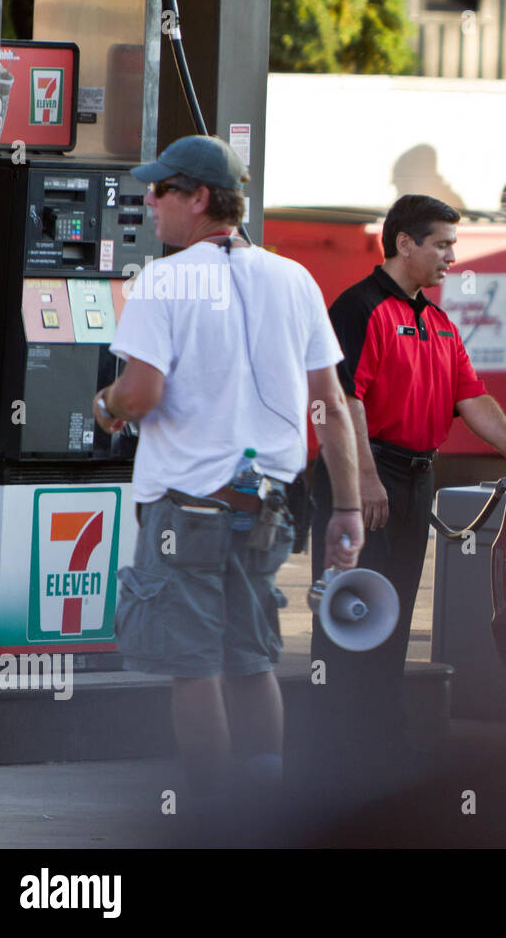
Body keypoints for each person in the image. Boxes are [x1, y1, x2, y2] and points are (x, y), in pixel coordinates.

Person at [94, 134, 363, 811]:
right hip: (265, 505)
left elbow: (142, 393)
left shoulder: (161, 279)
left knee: (193, 669)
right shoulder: (295, 278)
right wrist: (349, 511)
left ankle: (212, 815)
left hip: (184, 509)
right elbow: (330, 405)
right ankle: (263, 808)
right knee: (251, 661)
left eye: (162, 189)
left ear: (200, 198)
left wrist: (105, 406)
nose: (149, 201)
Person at [307, 194, 506, 792]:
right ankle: (335, 750)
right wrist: (366, 477)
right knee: (349, 615)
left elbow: (471, 399)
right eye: (443, 245)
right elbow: (342, 398)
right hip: (364, 473)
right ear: (405, 243)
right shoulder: (360, 307)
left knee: (392, 614)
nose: (453, 257)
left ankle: (380, 741)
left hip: (416, 475)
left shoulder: (436, 319)